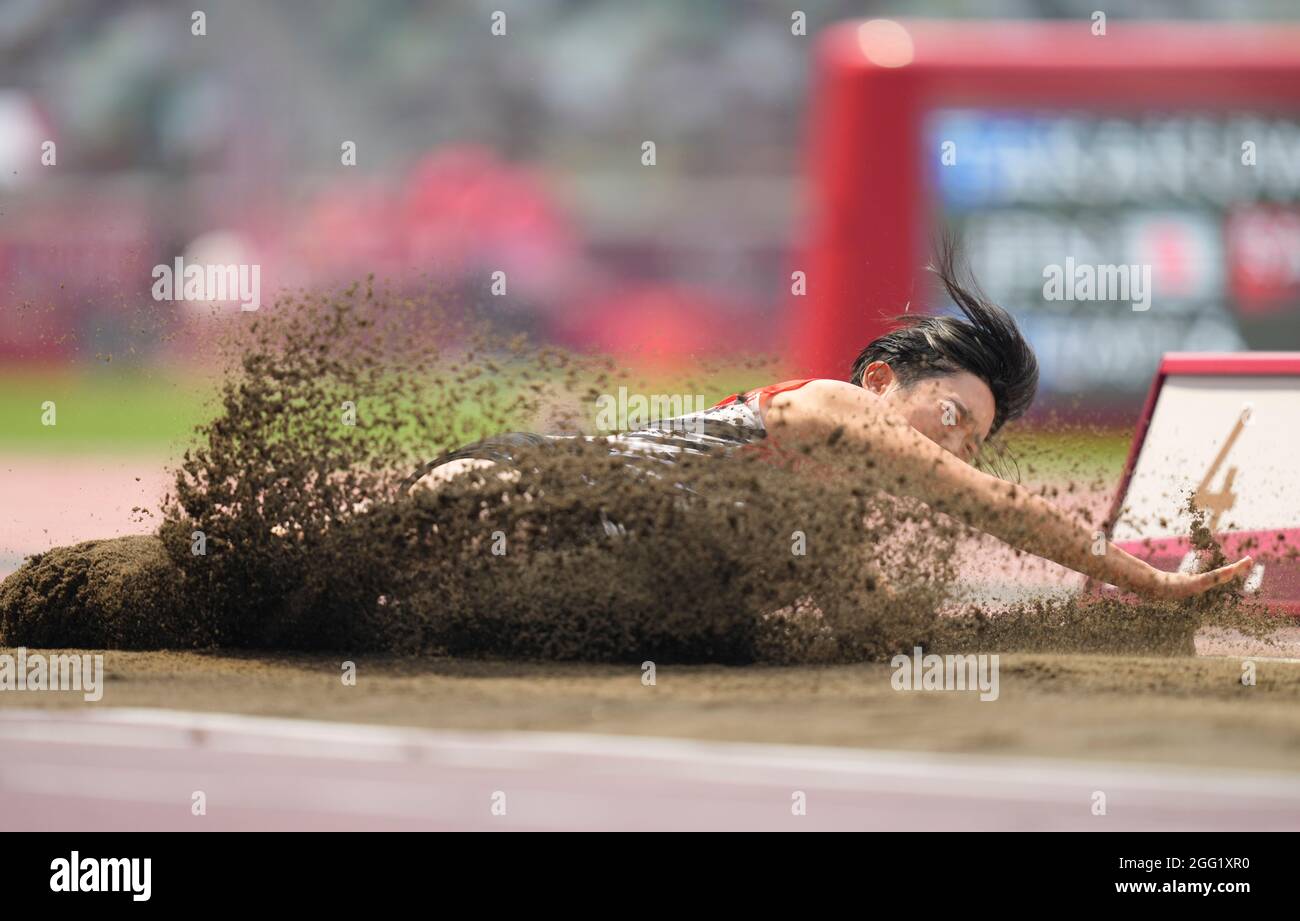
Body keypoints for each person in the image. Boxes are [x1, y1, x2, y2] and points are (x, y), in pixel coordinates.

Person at [410, 241, 1253, 601]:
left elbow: (863, 613)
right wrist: (1150, 582)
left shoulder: (829, 518)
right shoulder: (834, 408)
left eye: (976, 439)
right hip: (497, 493)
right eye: (955, 413)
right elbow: (1006, 509)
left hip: (537, 561)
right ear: (883, 381)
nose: (960, 447)